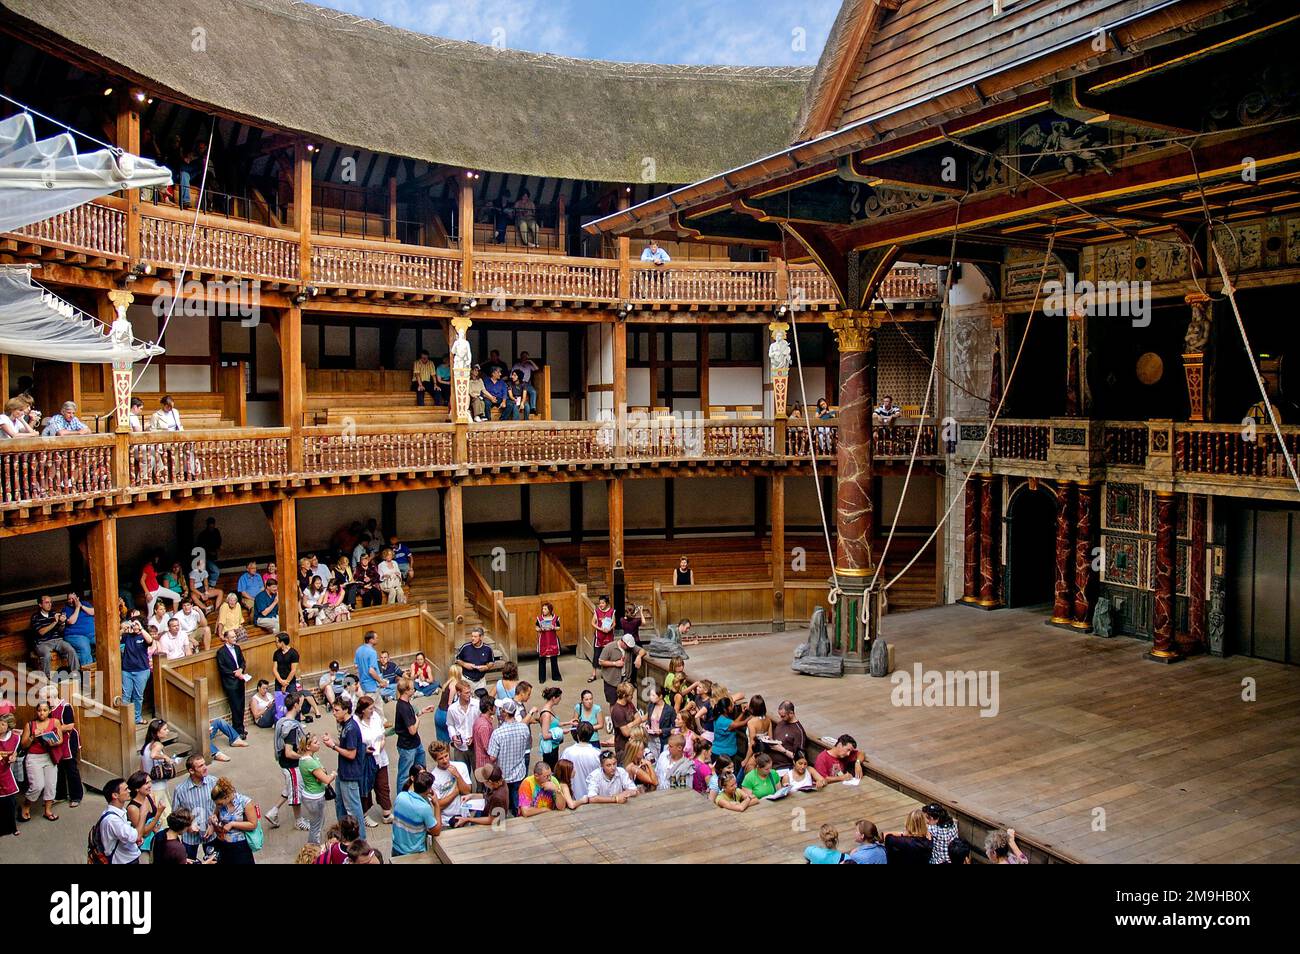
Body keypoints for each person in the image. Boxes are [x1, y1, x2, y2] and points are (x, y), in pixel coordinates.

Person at [266, 692, 308, 832]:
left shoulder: (281, 721)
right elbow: (289, 752)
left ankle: (273, 812)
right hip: (291, 765)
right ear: (295, 705)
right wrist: (303, 757)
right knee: (296, 792)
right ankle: (298, 821)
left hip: (284, 764)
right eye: (300, 703)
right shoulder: (291, 727)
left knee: (290, 787)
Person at [323, 697, 365, 824]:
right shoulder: (346, 725)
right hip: (343, 771)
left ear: (346, 710)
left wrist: (333, 746)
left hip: (350, 774)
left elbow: (351, 754)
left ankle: (359, 839)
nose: (334, 713)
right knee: (339, 804)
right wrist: (333, 741)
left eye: (336, 710)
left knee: (353, 810)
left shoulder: (351, 728)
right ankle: (343, 832)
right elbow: (345, 745)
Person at [487, 699, 531, 813]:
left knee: (502, 804)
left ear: (504, 713)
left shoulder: (498, 733)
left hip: (504, 774)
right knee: (517, 803)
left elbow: (492, 757)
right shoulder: (524, 728)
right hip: (519, 773)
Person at [20, 700, 62, 822]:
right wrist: (33, 737)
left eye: (44, 710)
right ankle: (25, 805)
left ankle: (48, 811)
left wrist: (53, 742)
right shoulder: (30, 725)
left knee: (51, 785)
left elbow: (60, 740)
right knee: (37, 786)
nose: (41, 713)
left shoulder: (55, 722)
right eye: (39, 710)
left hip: (50, 756)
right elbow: (23, 745)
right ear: (36, 711)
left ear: (49, 711)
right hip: (34, 757)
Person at [356, 695, 393, 827]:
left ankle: (386, 813)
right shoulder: (356, 722)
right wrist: (365, 750)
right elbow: (356, 742)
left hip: (380, 757)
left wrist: (382, 742)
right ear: (362, 710)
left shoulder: (376, 717)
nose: (372, 711)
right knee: (365, 786)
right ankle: (364, 815)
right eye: (370, 709)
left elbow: (382, 733)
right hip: (366, 760)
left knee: (383, 785)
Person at [395, 678, 436, 788]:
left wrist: (421, 712)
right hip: (407, 746)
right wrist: (418, 720)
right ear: (406, 691)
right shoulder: (403, 707)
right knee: (404, 775)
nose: (414, 690)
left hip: (415, 744)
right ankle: (402, 799)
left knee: (421, 770)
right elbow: (412, 730)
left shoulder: (406, 703)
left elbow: (410, 719)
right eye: (412, 688)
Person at [391, 769, 441, 856]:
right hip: (414, 853)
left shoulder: (401, 796)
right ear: (429, 789)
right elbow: (436, 831)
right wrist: (436, 805)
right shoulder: (424, 808)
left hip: (396, 849)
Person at [29, 594, 80, 678]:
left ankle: (75, 674)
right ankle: (47, 678)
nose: (50, 604)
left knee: (71, 650)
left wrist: (62, 623)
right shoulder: (35, 617)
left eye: (51, 602)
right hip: (42, 643)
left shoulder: (54, 613)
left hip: (57, 640)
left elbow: (60, 630)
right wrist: (55, 622)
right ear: (40, 605)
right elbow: (41, 632)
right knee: (46, 655)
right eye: (47, 602)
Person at [95, 777, 143, 864]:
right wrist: (144, 813)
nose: (129, 791)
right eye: (125, 789)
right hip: (124, 861)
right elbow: (136, 836)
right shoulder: (112, 820)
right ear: (115, 795)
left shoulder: (120, 811)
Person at [210, 776, 258, 864]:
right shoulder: (220, 805)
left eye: (220, 803)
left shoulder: (245, 802)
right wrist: (214, 819)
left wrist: (233, 824)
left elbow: (253, 824)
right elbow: (215, 815)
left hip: (240, 846)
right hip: (223, 845)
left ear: (226, 797)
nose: (219, 806)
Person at [427, 741, 472, 826]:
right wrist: (456, 792)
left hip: (464, 816)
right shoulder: (433, 778)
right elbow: (438, 805)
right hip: (446, 821)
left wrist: (458, 776)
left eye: (446, 756)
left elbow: (467, 792)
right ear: (435, 759)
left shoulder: (461, 766)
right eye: (440, 758)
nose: (445, 760)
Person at [215, 628, 250, 739]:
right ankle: (237, 730)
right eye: (232, 637)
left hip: (240, 680)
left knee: (241, 705)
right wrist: (234, 674)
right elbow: (222, 668)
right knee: (235, 706)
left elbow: (242, 661)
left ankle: (241, 728)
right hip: (230, 682)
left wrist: (241, 670)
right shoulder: (221, 652)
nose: (235, 638)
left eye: (235, 637)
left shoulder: (238, 648)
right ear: (226, 639)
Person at [120, 615, 154, 725]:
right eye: (133, 623)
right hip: (127, 670)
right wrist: (123, 629)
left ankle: (137, 717)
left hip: (142, 670)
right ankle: (124, 718)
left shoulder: (143, 635)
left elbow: (150, 641)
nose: (134, 626)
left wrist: (141, 629)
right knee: (126, 695)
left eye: (136, 624)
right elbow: (116, 638)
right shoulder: (127, 636)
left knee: (138, 696)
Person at [126, 771, 165, 861]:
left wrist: (158, 824)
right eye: (146, 783)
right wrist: (158, 814)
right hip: (144, 847)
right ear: (137, 788)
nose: (150, 785)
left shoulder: (149, 796)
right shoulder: (133, 808)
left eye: (150, 782)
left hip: (156, 839)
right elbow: (143, 833)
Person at [768, 699, 807, 773]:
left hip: (784, 767)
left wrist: (783, 750)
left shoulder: (798, 732)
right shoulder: (781, 723)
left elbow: (800, 758)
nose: (781, 718)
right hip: (770, 764)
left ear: (791, 713)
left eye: (783, 716)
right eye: (780, 715)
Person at [58, 592, 96, 667]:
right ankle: (88, 676)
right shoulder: (66, 609)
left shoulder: (85, 603)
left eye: (73, 598)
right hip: (75, 635)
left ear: (78, 598)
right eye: (69, 599)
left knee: (104, 643)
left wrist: (81, 606)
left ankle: (101, 669)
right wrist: (77, 608)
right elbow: (71, 621)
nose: (71, 600)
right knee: (85, 649)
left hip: (92, 634)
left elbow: (93, 612)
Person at [609, 682, 643, 760]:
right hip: (623, 748)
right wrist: (635, 723)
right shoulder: (617, 711)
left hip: (633, 745)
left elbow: (639, 718)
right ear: (624, 695)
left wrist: (629, 725)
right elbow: (626, 733)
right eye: (631, 695)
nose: (632, 696)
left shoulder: (629, 703)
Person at [446, 680, 476, 767]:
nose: (469, 695)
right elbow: (450, 724)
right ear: (459, 693)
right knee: (462, 775)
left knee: (478, 775)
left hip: (474, 746)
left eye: (469, 692)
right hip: (460, 747)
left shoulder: (476, 705)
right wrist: (453, 736)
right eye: (466, 693)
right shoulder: (452, 709)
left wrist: (474, 736)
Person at [456, 626, 496, 692]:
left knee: (481, 701)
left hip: (481, 682)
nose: (472, 638)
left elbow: (491, 662)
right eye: (472, 636)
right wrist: (465, 664)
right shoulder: (465, 647)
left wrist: (486, 667)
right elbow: (457, 659)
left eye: (475, 637)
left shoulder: (488, 649)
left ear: (481, 637)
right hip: (466, 680)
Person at [354, 630, 390, 701]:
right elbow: (371, 671)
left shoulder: (358, 650)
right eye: (376, 638)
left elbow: (356, 666)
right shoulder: (372, 652)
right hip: (372, 686)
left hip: (363, 684)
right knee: (370, 708)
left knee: (378, 707)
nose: (377, 639)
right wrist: (381, 681)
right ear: (371, 640)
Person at [0, 714, 19, 838]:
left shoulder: (14, 738)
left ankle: (12, 827)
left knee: (10, 801)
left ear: (8, 726)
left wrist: (14, 757)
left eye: (2, 724)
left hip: (5, 772)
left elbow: (15, 752)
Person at [535, 601, 562, 683]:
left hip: (553, 640)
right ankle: (542, 678)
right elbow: (536, 627)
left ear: (549, 610)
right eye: (543, 608)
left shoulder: (555, 618)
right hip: (543, 641)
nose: (543, 610)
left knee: (554, 659)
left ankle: (556, 676)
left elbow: (559, 627)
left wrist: (554, 627)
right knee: (542, 659)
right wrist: (540, 629)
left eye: (545, 609)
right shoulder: (539, 619)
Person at [195, 516, 222, 585]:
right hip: (204, 557)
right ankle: (211, 586)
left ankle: (209, 586)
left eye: (212, 525)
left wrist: (217, 549)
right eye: (210, 526)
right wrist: (209, 551)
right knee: (215, 571)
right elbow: (200, 547)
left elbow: (219, 542)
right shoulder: (203, 535)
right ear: (207, 525)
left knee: (209, 572)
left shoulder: (216, 532)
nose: (211, 527)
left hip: (213, 557)